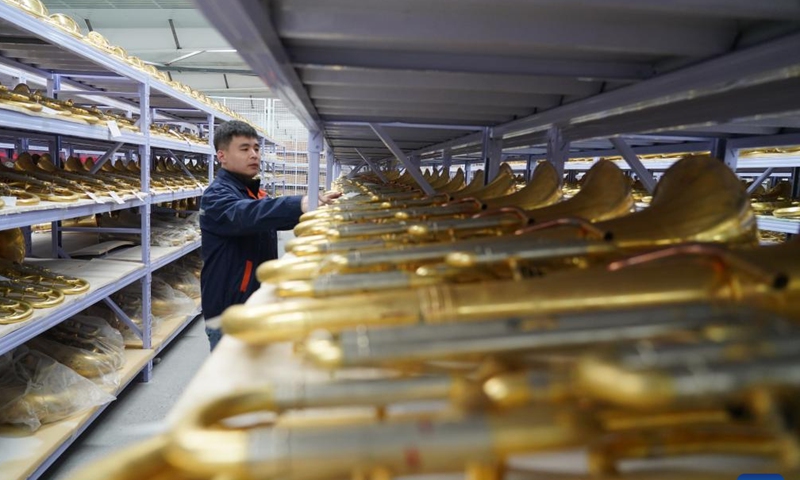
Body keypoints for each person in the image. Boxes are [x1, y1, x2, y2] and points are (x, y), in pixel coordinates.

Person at [199, 120, 340, 349]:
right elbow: (247, 214)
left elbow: (267, 215)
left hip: (253, 301)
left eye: (256, 148)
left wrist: (314, 210)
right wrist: (299, 204)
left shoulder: (250, 191)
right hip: (229, 312)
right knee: (234, 368)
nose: (254, 155)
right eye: (244, 149)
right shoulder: (215, 196)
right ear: (222, 156)